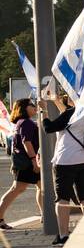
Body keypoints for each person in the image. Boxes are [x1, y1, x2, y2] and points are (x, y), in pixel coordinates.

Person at [42, 92, 84, 243]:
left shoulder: (71, 114)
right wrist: (55, 100)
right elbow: (65, 117)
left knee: (62, 198)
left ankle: (63, 235)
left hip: (65, 160)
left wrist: (43, 112)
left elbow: (49, 128)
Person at [0, 99, 41, 231]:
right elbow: (26, 142)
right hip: (27, 162)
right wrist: (34, 160)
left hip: (26, 161)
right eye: (31, 105)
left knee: (42, 187)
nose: (34, 107)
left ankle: (45, 215)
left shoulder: (23, 122)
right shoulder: (26, 122)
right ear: (24, 108)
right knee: (17, 189)